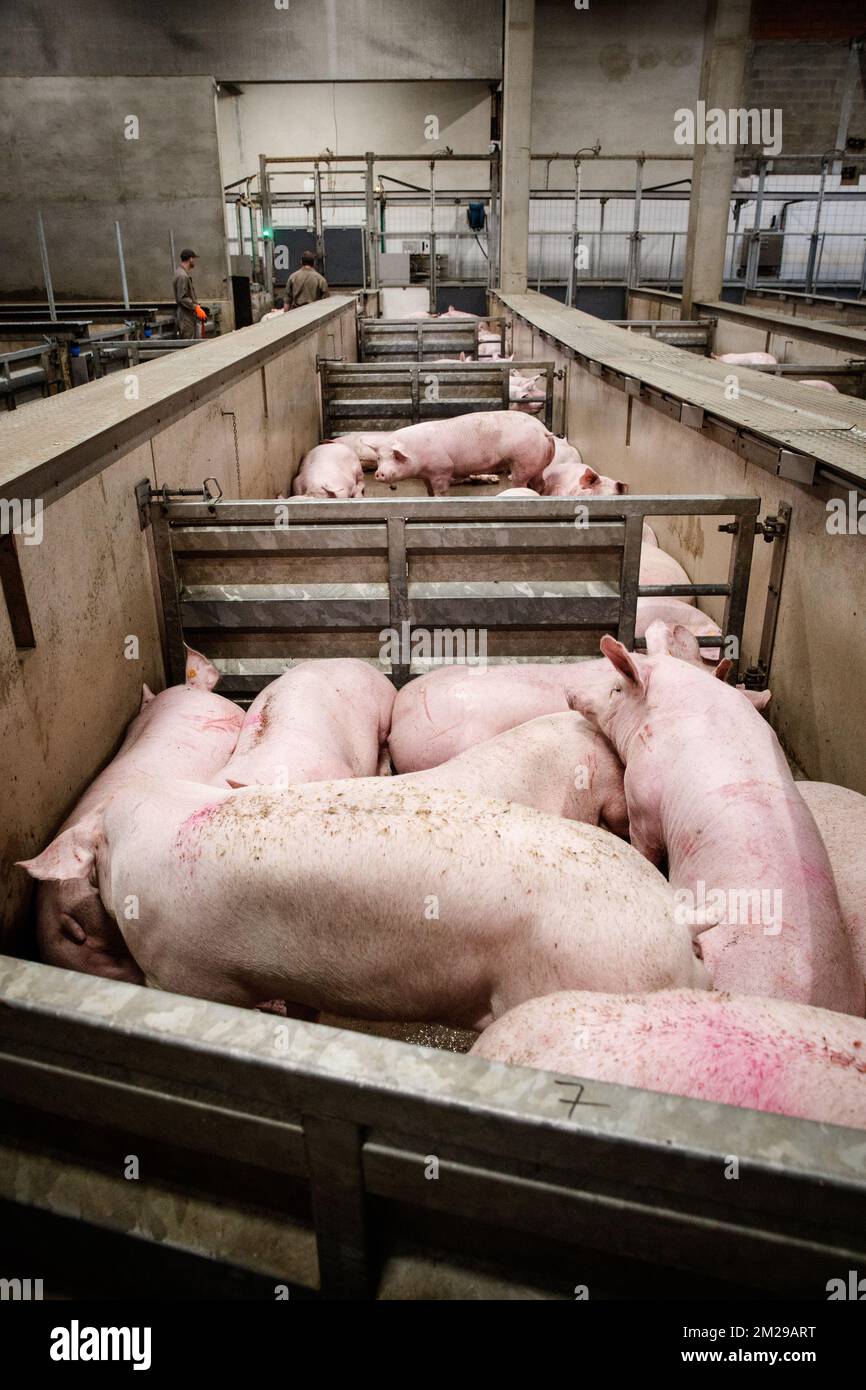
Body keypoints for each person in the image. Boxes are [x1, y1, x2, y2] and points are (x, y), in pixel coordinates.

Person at [173, 249, 207, 338]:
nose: (194, 262)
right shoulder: (182, 276)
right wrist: (196, 307)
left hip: (188, 315)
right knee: (189, 345)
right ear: (190, 259)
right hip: (186, 317)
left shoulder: (182, 273)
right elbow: (182, 297)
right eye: (194, 259)